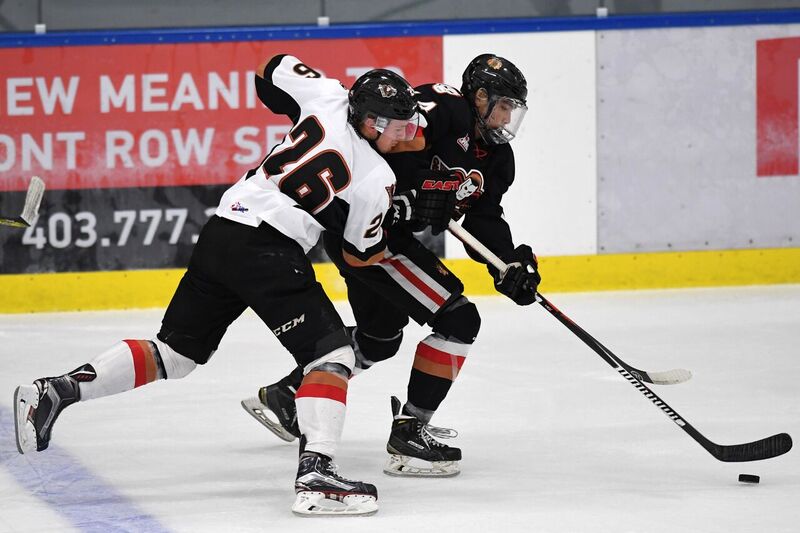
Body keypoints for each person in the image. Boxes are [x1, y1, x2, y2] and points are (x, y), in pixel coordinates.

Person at [12, 54, 449, 517]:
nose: (406, 135)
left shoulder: (327, 95)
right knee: (333, 357)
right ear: (372, 122)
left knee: (176, 353)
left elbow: (272, 66)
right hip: (270, 249)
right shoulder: (377, 177)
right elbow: (362, 254)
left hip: (223, 229)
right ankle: (317, 476)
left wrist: (302, 100)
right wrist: (405, 218)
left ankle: (56, 390)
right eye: (398, 127)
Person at [241, 53, 541, 478]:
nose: (509, 118)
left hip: (382, 237)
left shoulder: (498, 159)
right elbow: (384, 139)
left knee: (380, 337)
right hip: (369, 231)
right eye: (505, 106)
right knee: (459, 320)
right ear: (480, 97)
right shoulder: (443, 109)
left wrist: (507, 262)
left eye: (514, 109)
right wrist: (408, 196)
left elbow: (484, 217)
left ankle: (287, 396)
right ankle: (410, 433)